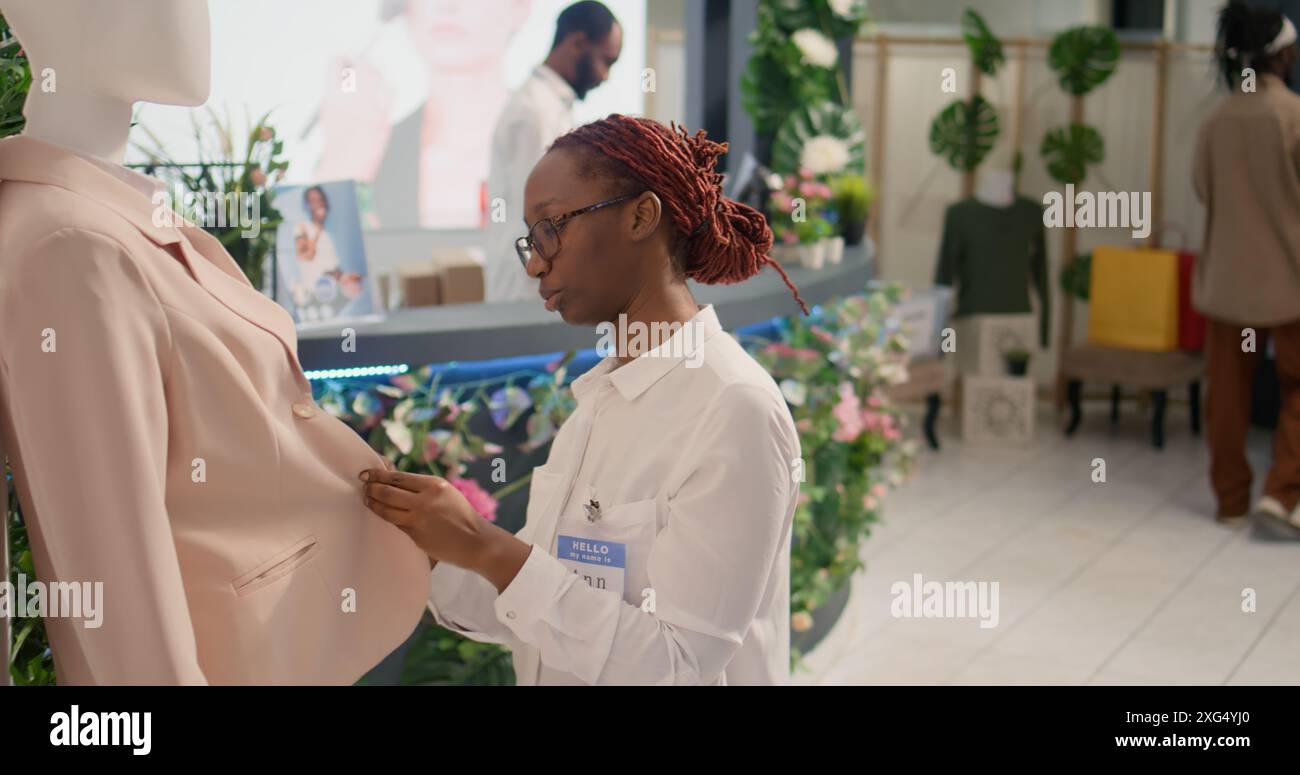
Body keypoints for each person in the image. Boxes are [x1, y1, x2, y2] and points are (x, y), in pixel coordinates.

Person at [358, 115, 809, 685]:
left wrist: (486, 547)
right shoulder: (602, 398)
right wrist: (429, 542)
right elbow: (539, 608)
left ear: (642, 216)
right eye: (530, 237)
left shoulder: (733, 407)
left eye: (551, 227)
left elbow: (680, 667)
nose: (534, 263)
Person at [1193, 2, 1300, 534]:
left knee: (1229, 396)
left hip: (1229, 283)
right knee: (1299, 386)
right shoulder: (1294, 116)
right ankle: (1281, 496)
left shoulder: (1216, 121)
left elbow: (1202, 189)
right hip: (1291, 280)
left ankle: (1231, 500)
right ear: (1284, 55)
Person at [483, 1, 623, 302]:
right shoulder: (535, 112)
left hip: (536, 286)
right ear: (577, 43)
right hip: (525, 293)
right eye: (606, 61)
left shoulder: (549, 106)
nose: (606, 76)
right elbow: (542, 214)